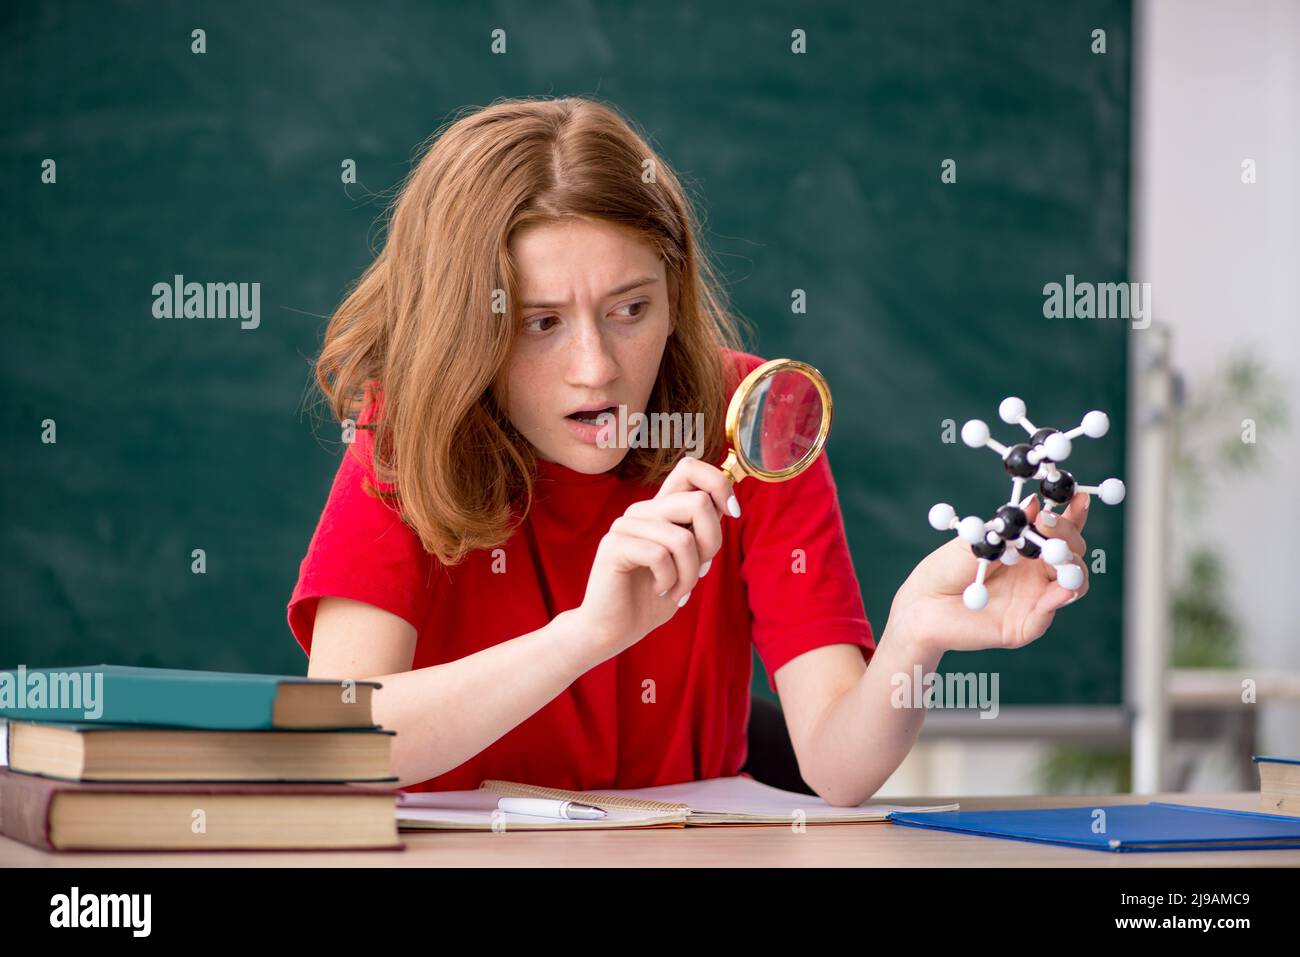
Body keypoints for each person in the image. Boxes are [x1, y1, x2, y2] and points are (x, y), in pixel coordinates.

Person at [288, 97, 1091, 805]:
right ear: (468, 332)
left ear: (674, 295)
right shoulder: (406, 431)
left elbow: (841, 768)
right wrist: (586, 634)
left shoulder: (755, 418)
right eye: (541, 324)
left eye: (630, 308)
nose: (596, 368)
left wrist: (915, 636)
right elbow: (338, 745)